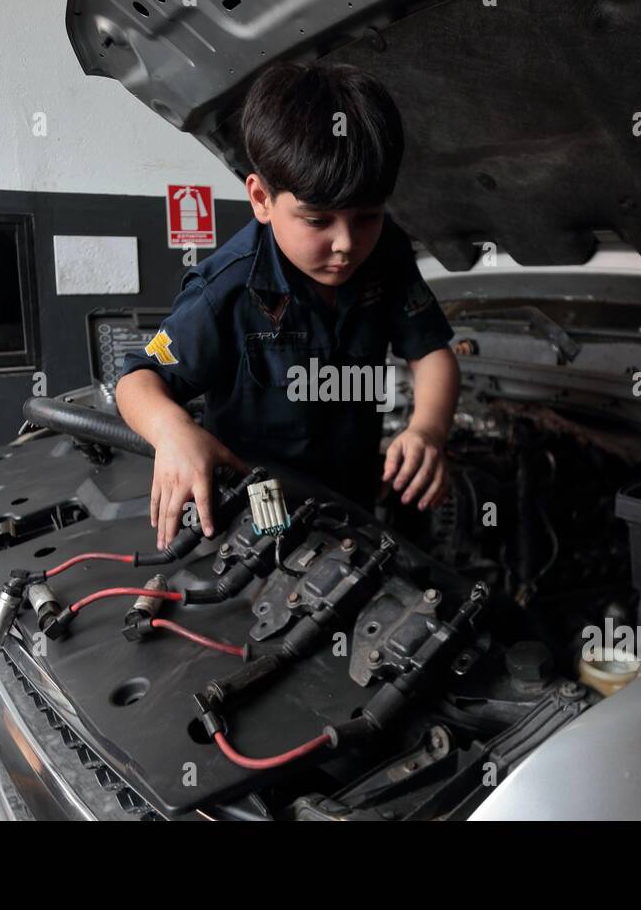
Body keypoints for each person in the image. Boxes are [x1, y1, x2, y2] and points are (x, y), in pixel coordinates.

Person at [115, 61, 460, 550]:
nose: (346, 244)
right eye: (317, 221)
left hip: (353, 507)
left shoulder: (388, 254)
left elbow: (431, 351)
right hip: (254, 522)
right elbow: (137, 378)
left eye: (367, 217)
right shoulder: (226, 288)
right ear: (261, 198)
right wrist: (171, 430)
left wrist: (427, 429)